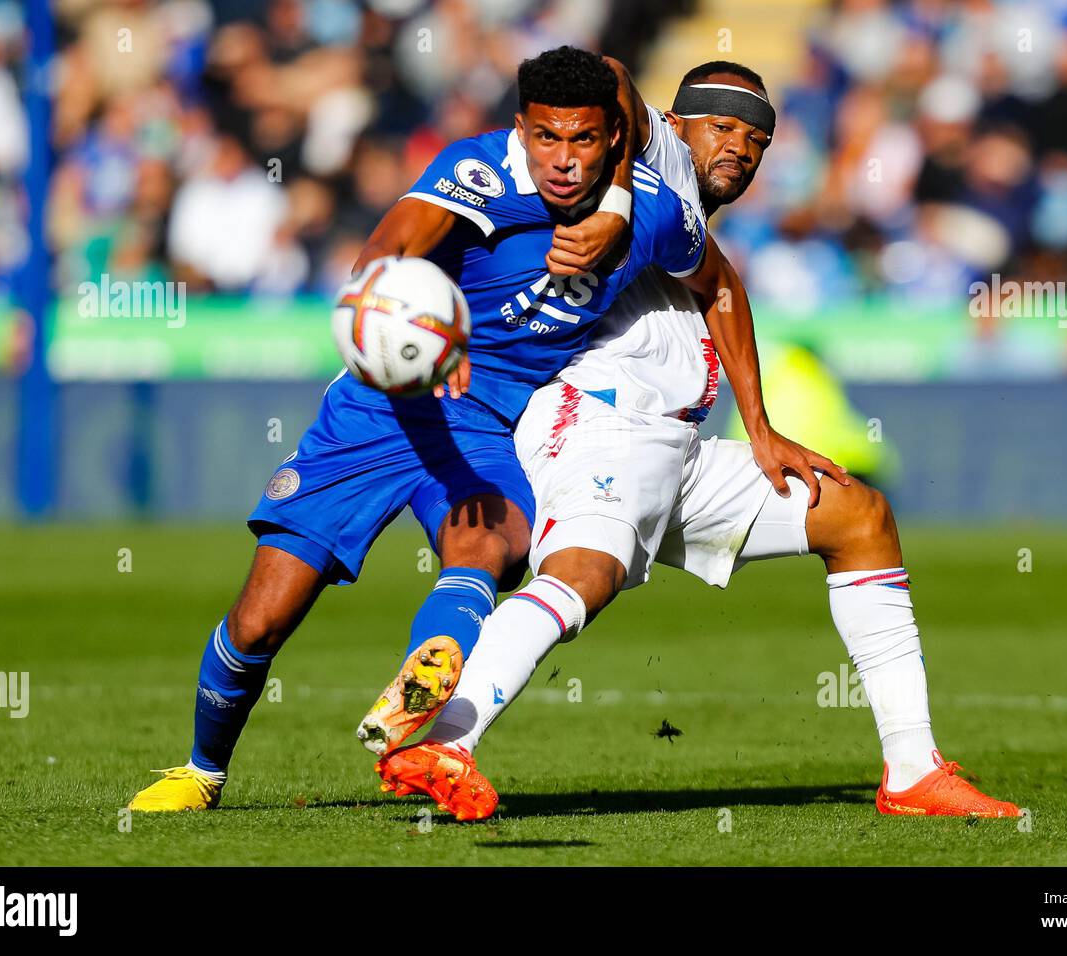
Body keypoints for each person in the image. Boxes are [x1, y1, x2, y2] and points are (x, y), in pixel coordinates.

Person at [127, 46, 805, 811]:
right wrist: (415, 323)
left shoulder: (651, 212)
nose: (562, 160)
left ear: (613, 140)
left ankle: (427, 694)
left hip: (486, 423)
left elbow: (718, 286)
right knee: (261, 618)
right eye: (545, 137)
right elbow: (386, 249)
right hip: (381, 410)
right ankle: (200, 772)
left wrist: (760, 426)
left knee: (493, 543)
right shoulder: (481, 173)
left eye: (583, 140)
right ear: (522, 129)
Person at [374, 60, 1021, 822]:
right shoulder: (655, 155)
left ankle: (913, 770)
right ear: (671, 124)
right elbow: (610, 72)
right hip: (598, 422)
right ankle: (445, 739)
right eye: (724, 126)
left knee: (858, 517)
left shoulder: (682, 213)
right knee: (586, 573)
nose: (740, 148)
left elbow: (720, 288)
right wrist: (615, 196)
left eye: (757, 140)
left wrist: (764, 432)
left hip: (670, 446)